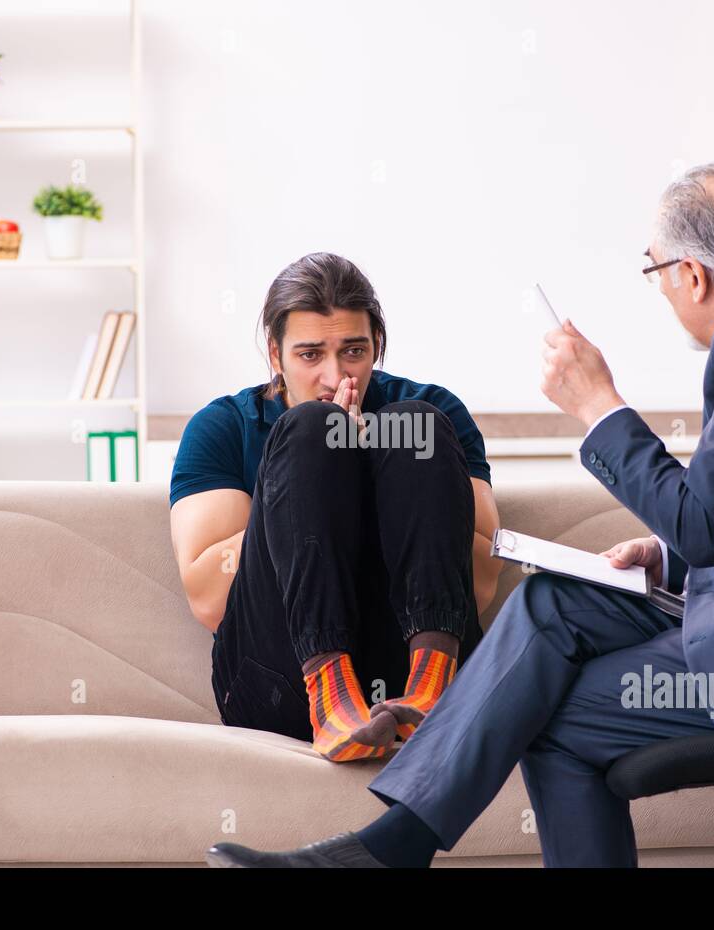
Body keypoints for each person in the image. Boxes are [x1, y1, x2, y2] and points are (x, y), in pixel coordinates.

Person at [205, 161, 714, 867]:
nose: (660, 290)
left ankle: (394, 844)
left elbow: (709, 519)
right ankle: (395, 843)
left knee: (549, 714)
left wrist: (598, 404)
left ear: (692, 274)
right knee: (550, 601)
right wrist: (668, 557)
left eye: (655, 270)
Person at [169, 251, 504, 763]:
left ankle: (430, 687)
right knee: (310, 432)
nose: (333, 375)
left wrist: (375, 465)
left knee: (415, 424)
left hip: (411, 663)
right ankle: (331, 694)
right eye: (309, 355)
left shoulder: (434, 411)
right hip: (281, 681)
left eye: (353, 351)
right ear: (274, 355)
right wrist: (312, 476)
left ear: (376, 349)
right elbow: (210, 600)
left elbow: (479, 584)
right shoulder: (224, 425)